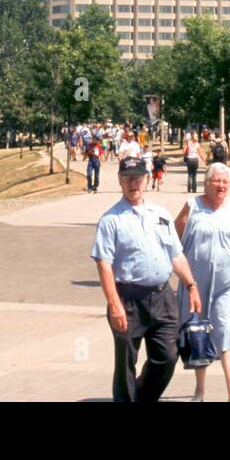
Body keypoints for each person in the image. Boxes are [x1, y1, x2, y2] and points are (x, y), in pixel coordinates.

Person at [91, 157, 202, 403]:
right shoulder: (111, 219)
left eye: (138, 177)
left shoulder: (160, 214)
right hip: (127, 299)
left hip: (163, 297)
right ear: (120, 181)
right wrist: (114, 304)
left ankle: (142, 396)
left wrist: (191, 286)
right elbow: (104, 264)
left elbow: (175, 254)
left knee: (168, 356)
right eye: (128, 178)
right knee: (126, 361)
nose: (134, 183)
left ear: (147, 179)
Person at [174, 163, 230, 402]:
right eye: (216, 181)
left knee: (228, 331)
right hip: (196, 286)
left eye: (225, 182)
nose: (221, 186)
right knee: (199, 335)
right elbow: (172, 241)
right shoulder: (192, 206)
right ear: (206, 183)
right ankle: (200, 391)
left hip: (229, 284)